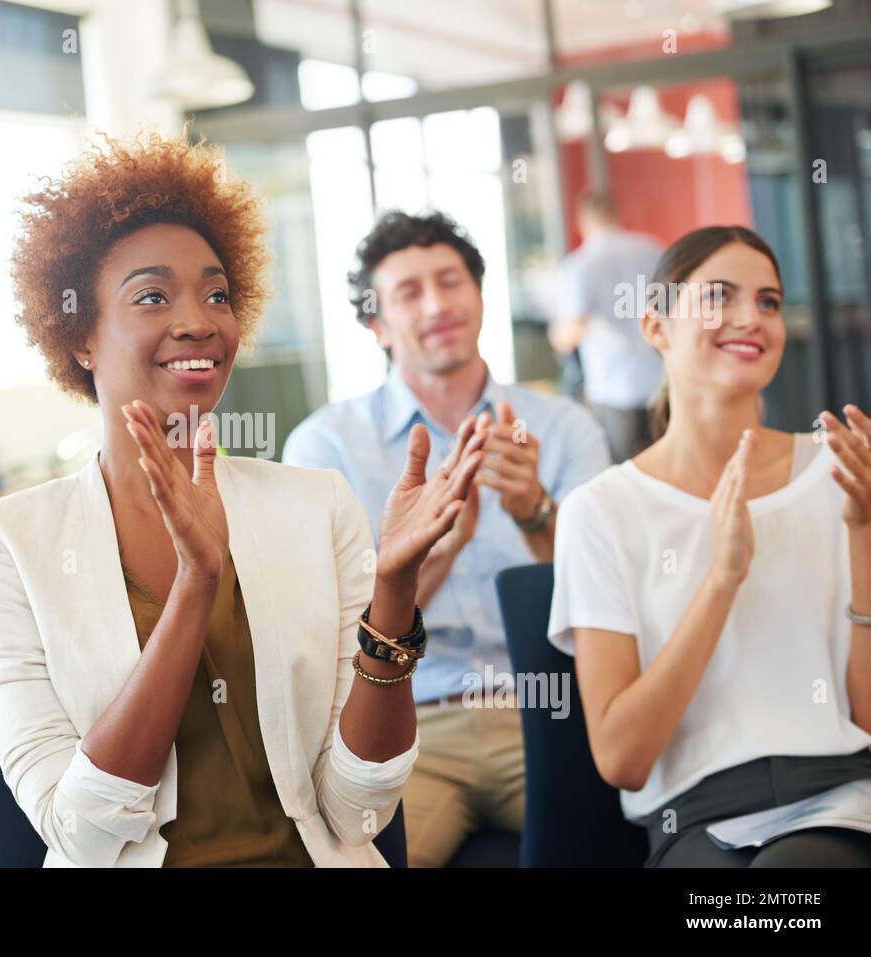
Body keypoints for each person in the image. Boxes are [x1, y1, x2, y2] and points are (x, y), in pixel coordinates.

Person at [0, 133, 486, 867]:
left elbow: (358, 807)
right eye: (152, 296)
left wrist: (392, 599)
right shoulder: (7, 540)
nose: (199, 321)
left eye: (217, 294)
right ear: (79, 334)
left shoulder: (315, 503)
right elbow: (81, 829)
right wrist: (195, 585)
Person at [282, 210, 610, 867]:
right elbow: (327, 638)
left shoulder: (564, 427)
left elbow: (608, 606)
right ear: (376, 324)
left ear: (480, 294)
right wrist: (438, 549)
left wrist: (537, 515)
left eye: (451, 281)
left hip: (540, 709)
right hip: (408, 728)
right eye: (408, 292)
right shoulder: (324, 445)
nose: (437, 305)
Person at [549, 225, 871, 867]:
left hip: (841, 797)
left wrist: (864, 533)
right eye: (718, 296)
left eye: (770, 301)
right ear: (655, 326)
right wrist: (721, 581)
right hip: (694, 821)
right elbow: (622, 757)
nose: (749, 318)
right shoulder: (601, 511)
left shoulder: (842, 472)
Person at [550, 192, 665, 462]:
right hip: (658, 380)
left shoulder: (581, 264)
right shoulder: (651, 248)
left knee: (620, 474)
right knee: (665, 466)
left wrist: (556, 336)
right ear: (616, 215)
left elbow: (571, 332)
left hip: (612, 385)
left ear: (583, 222)